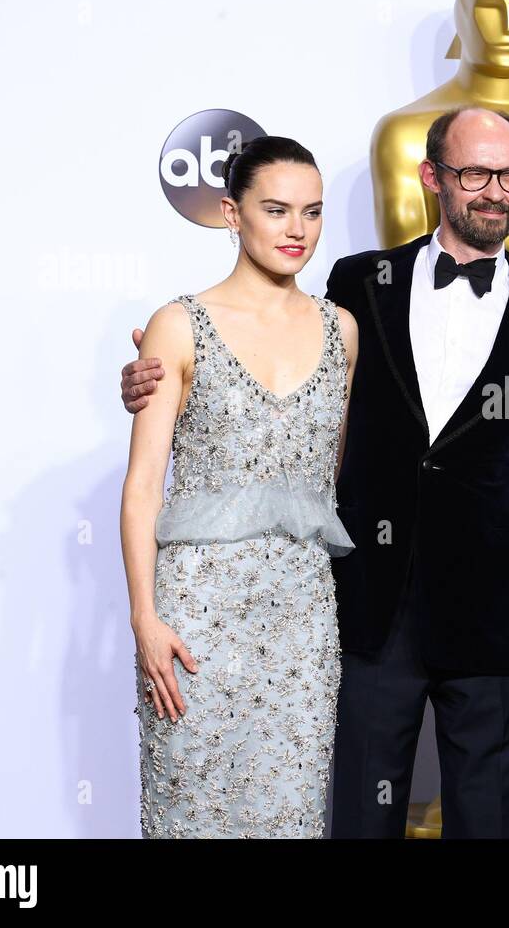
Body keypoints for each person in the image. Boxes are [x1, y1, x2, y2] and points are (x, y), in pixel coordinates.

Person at [122, 108, 509, 838]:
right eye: (475, 173)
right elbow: (274, 383)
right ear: (432, 177)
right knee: (354, 823)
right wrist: (149, 380)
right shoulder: (358, 285)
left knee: (484, 823)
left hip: (490, 616)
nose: (495, 193)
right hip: (367, 609)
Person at [120, 136, 358, 837]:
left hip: (303, 623)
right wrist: (145, 618)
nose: (297, 231)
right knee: (190, 812)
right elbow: (142, 488)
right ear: (231, 212)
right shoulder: (178, 323)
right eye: (277, 210)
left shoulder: (342, 329)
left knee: (291, 815)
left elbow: (328, 478)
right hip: (195, 617)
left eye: (312, 213)